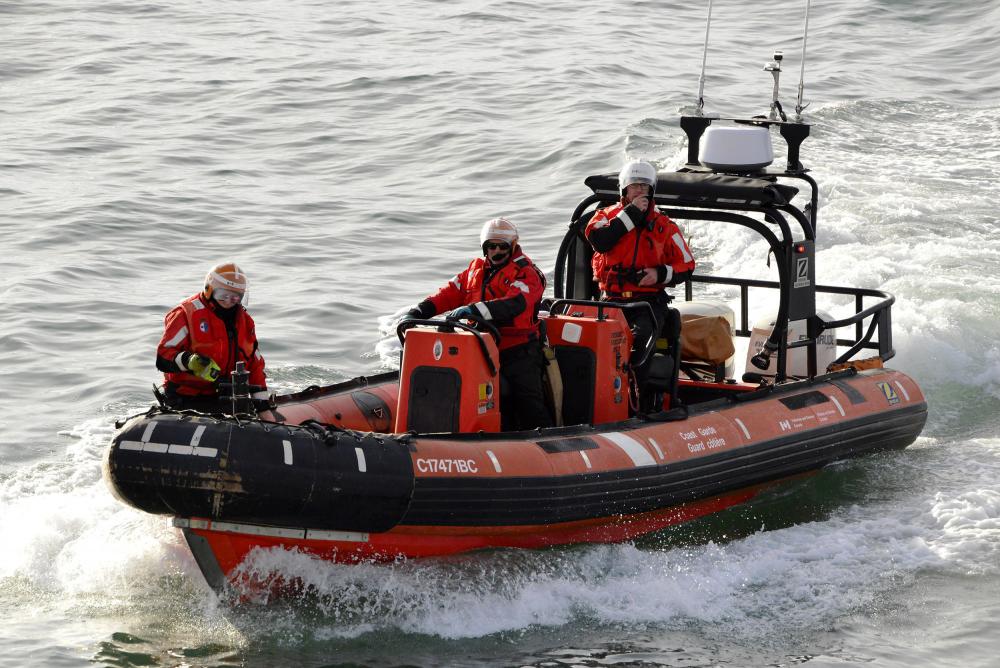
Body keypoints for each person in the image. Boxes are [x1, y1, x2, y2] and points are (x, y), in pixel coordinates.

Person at [402, 217, 554, 431]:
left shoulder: (527, 273)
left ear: (512, 247)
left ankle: (545, 443)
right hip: (477, 348)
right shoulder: (475, 271)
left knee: (529, 406)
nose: (496, 251)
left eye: (502, 246)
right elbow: (448, 294)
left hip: (518, 352)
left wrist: (474, 310)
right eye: (491, 247)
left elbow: (514, 304)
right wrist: (418, 311)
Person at [585, 160, 696, 410]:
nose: (640, 191)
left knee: (640, 344)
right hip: (611, 299)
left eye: (645, 186)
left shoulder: (665, 227)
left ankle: (638, 404)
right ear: (624, 190)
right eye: (634, 186)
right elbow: (600, 241)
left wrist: (659, 273)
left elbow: (687, 264)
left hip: (647, 303)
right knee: (597, 346)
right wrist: (631, 215)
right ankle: (597, 401)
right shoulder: (604, 217)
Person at [156, 262, 268, 410]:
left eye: (235, 297)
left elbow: (255, 364)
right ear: (209, 290)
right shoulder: (185, 314)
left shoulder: (245, 322)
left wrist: (263, 406)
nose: (228, 302)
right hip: (185, 397)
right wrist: (189, 361)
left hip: (225, 396)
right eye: (223, 296)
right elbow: (163, 357)